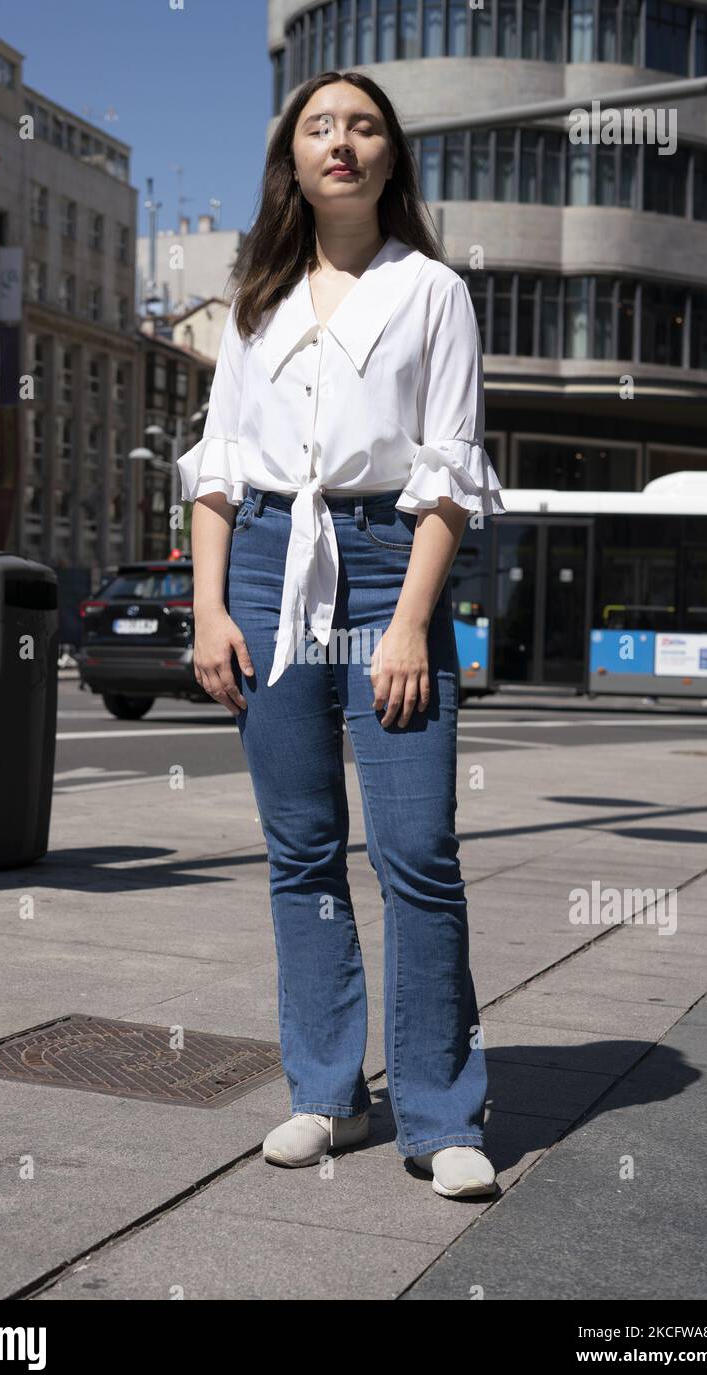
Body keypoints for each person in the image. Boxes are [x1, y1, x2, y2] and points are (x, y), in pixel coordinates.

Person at [177, 71, 507, 1200]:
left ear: (386, 156)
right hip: (267, 572)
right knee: (301, 853)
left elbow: (451, 473)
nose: (341, 142)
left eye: (362, 126)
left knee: (416, 853)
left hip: (383, 567)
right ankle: (325, 1093)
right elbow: (217, 474)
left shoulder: (432, 294)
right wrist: (210, 607)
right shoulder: (255, 300)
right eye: (319, 126)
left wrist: (410, 622)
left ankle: (438, 1110)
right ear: (295, 159)